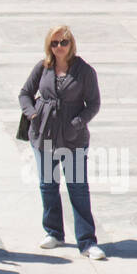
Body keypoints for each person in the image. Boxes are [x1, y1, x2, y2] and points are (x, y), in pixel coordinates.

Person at [19, 25, 105, 259]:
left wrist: (77, 122)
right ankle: (54, 232)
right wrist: (33, 115)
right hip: (44, 136)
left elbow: (94, 104)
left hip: (73, 139)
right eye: (54, 43)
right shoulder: (43, 67)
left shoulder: (84, 71)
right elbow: (25, 93)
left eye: (63, 42)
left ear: (71, 44)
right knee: (48, 185)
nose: (59, 47)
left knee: (78, 189)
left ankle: (87, 242)